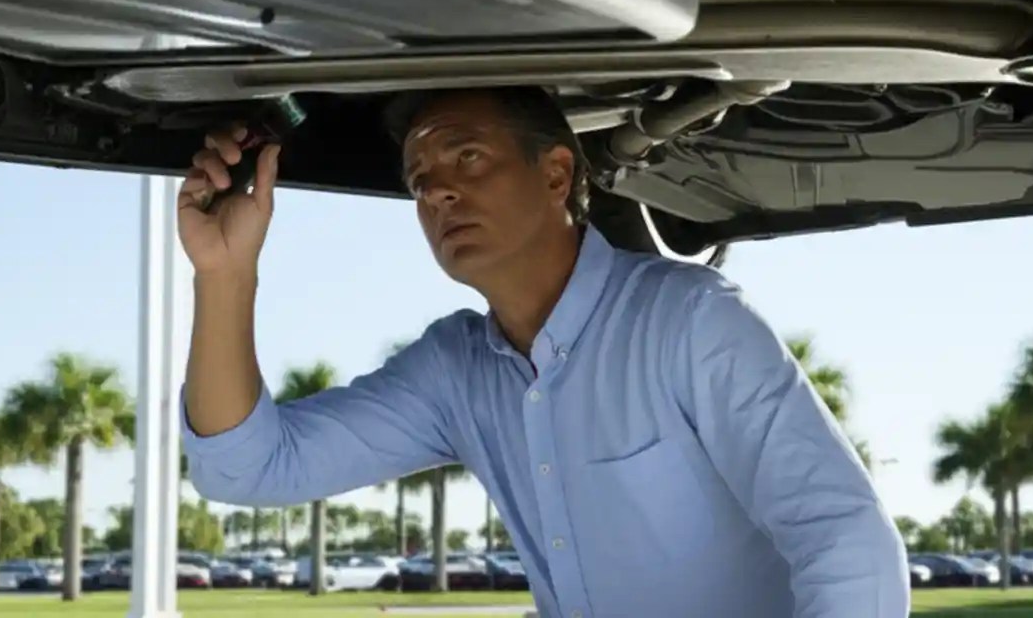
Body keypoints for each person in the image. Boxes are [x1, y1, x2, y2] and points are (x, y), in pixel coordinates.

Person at [177, 86, 910, 618]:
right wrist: (224, 272)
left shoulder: (687, 320)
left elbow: (848, 545)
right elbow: (248, 467)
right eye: (421, 181)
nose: (439, 194)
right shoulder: (452, 371)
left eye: (467, 158)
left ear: (557, 173)